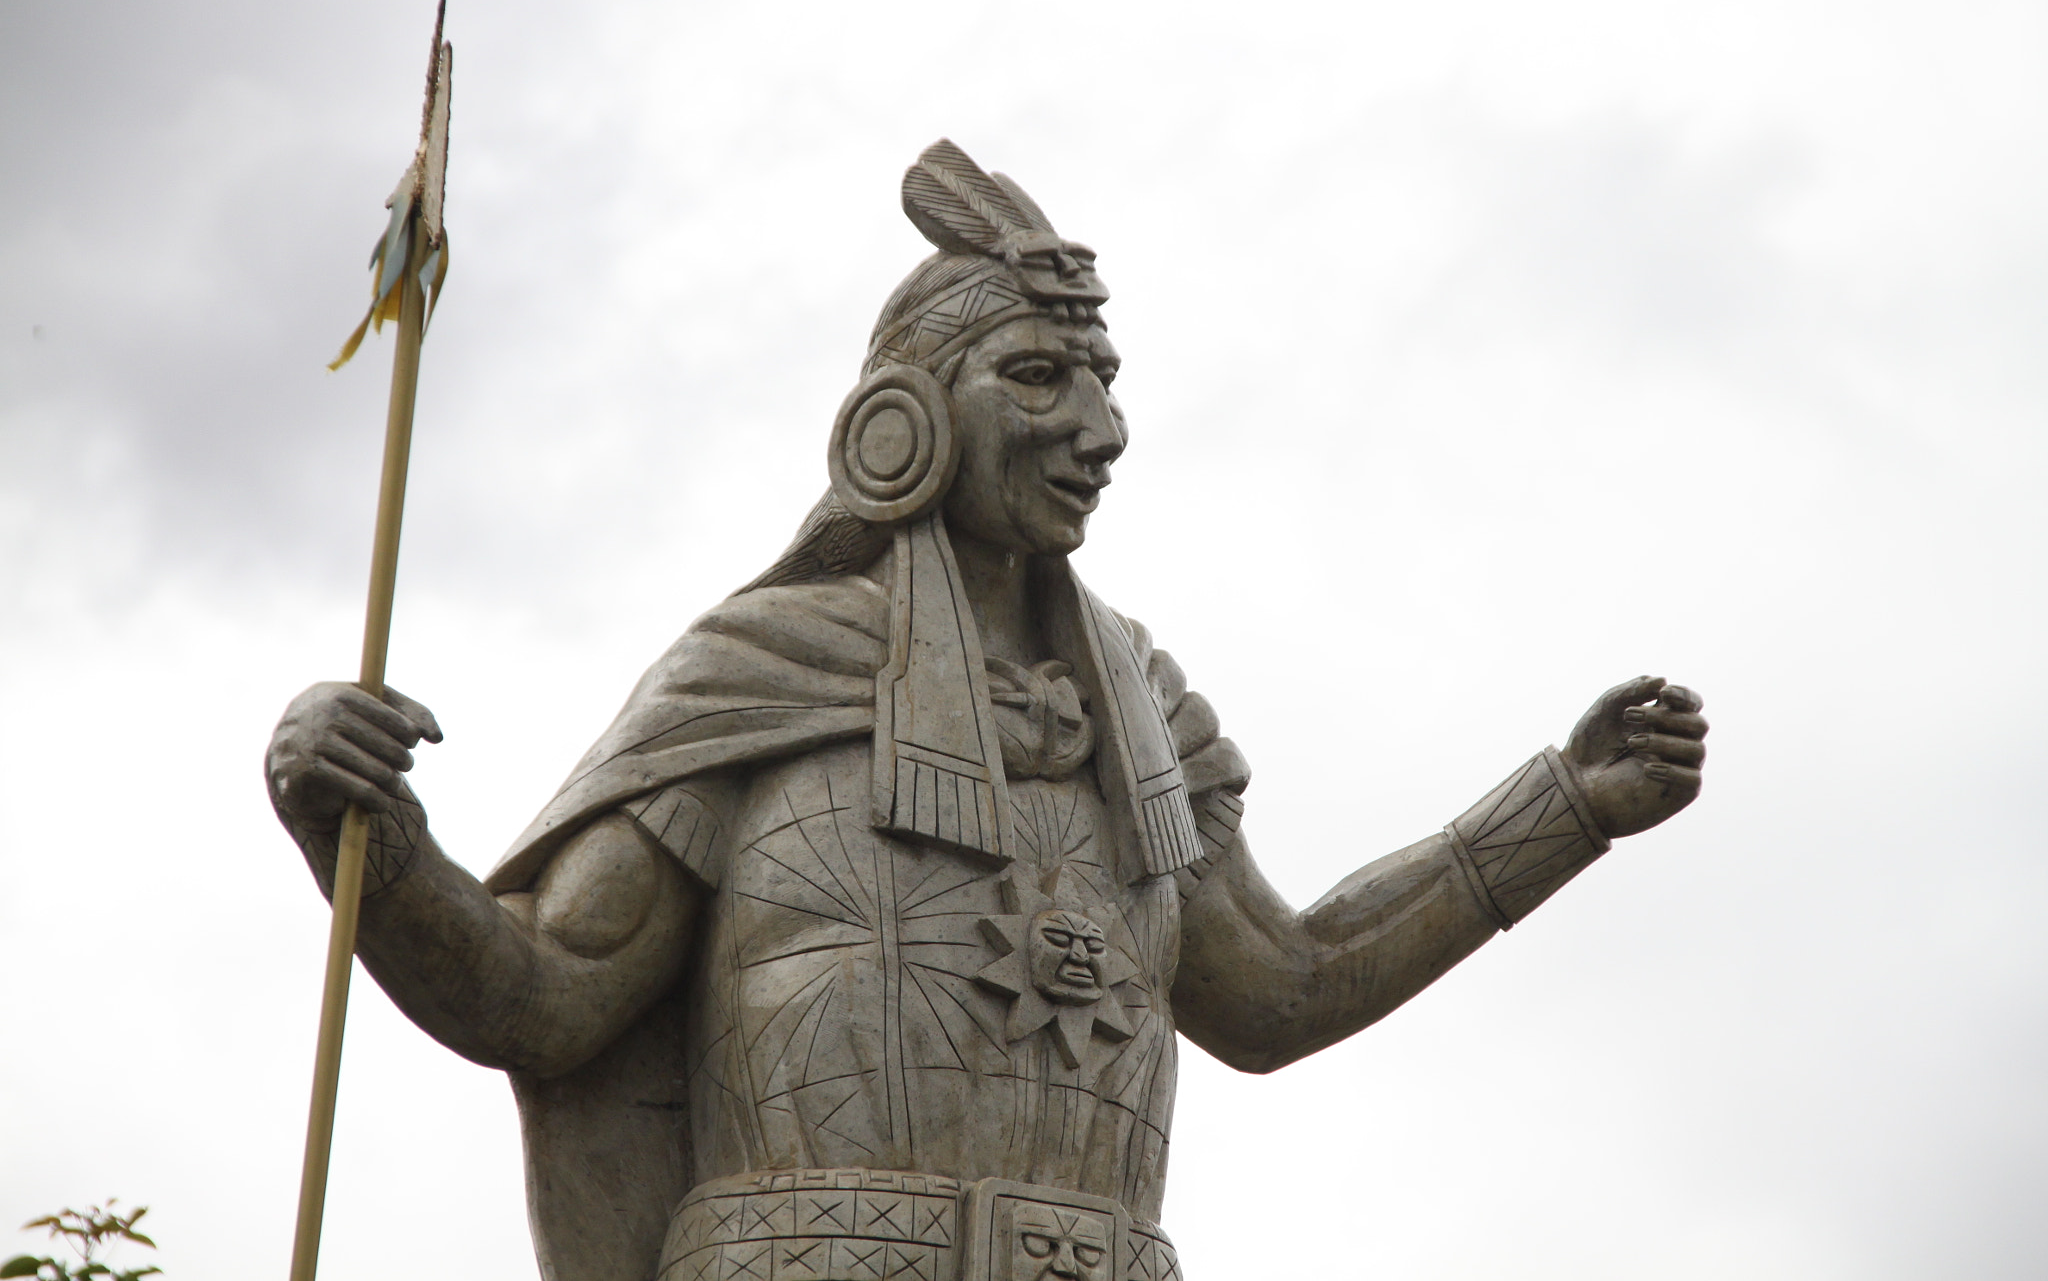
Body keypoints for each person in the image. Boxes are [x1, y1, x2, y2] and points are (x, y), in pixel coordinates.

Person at [266, 140, 1708, 1281]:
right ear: (907, 418)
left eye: (1105, 385)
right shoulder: (765, 673)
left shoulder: (1138, 703)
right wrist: (370, 839)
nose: (1100, 428)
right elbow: (545, 993)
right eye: (1040, 377)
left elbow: (1282, 984)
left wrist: (1563, 812)